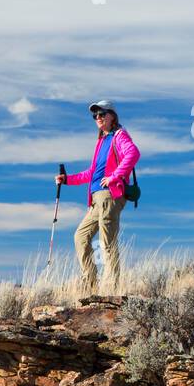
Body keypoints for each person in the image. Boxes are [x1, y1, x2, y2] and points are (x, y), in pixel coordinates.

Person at [57, 100, 140, 297]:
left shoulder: (118, 136)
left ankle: (111, 290)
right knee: (80, 236)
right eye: (95, 116)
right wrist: (67, 180)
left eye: (102, 114)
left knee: (106, 242)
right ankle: (91, 286)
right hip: (96, 200)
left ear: (112, 116)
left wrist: (115, 176)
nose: (98, 118)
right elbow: (91, 173)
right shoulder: (101, 141)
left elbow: (133, 153)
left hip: (109, 196)